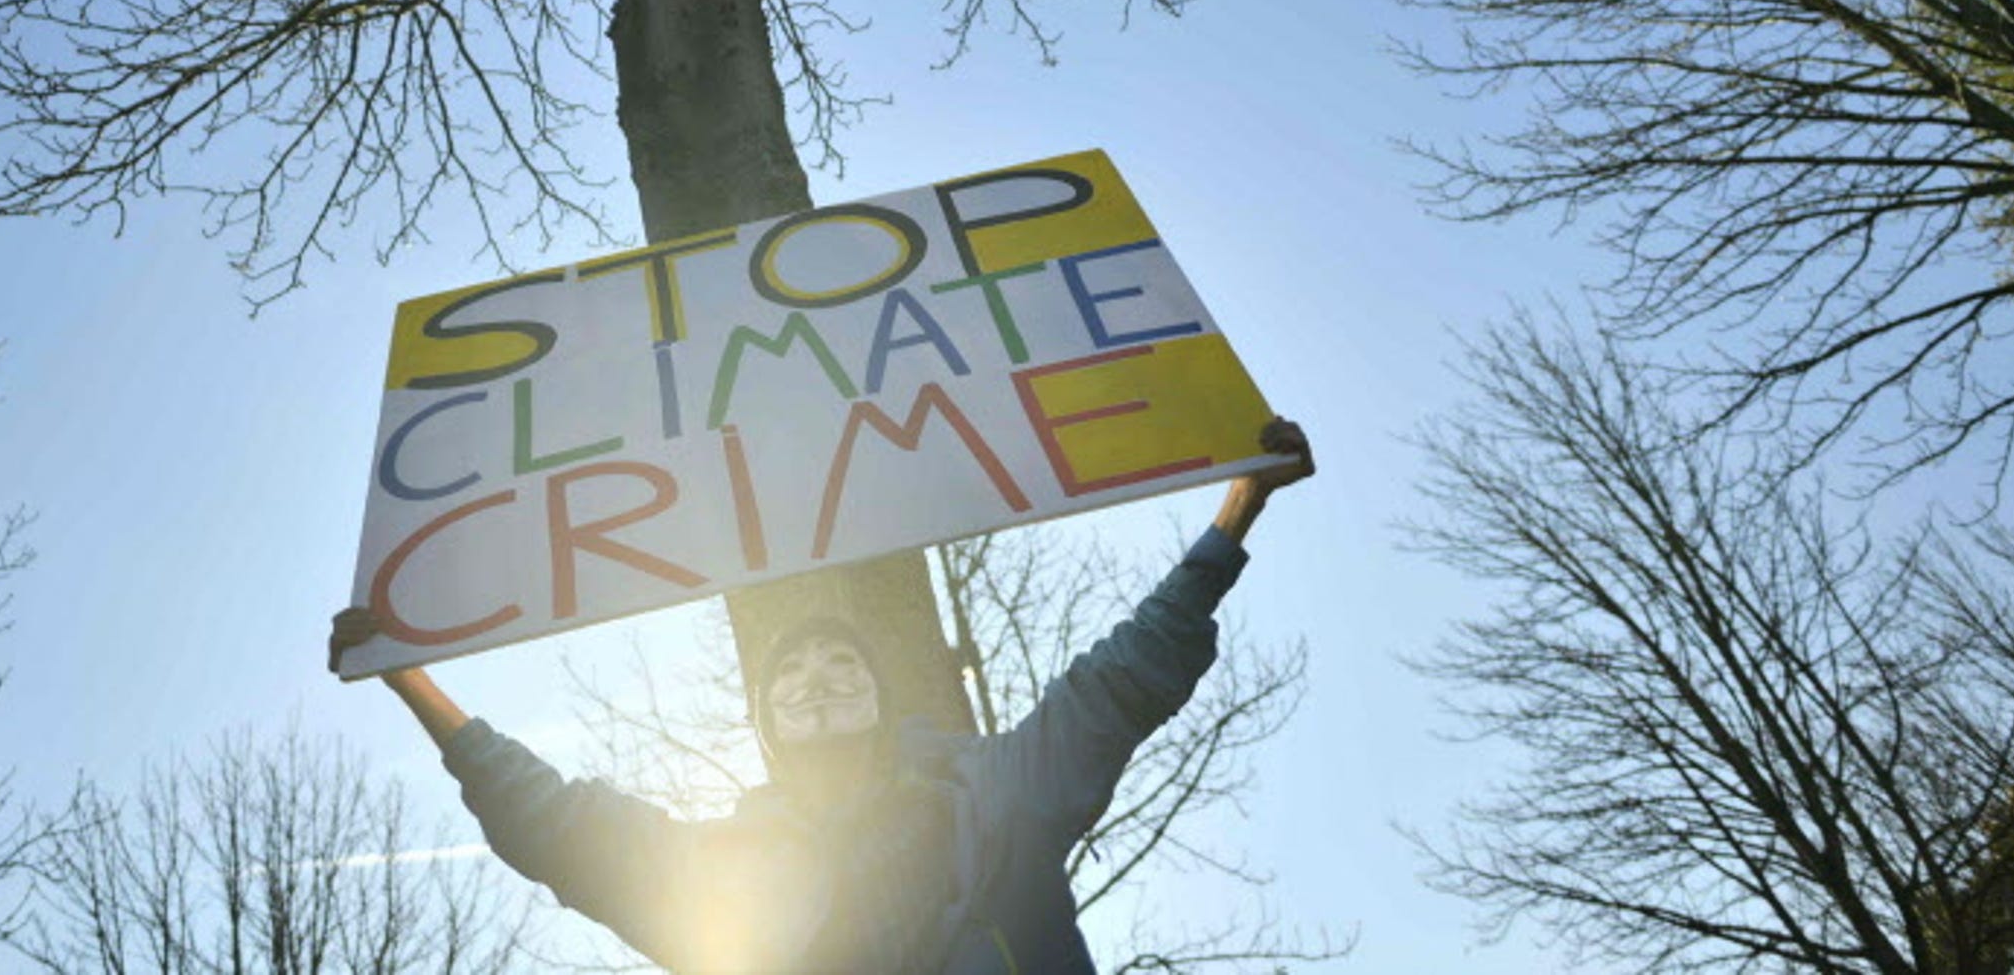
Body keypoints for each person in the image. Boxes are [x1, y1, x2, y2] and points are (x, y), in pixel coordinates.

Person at [330, 416, 1315, 974]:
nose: (818, 678)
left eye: (843, 665)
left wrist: (1239, 509)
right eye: (790, 673)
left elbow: (1121, 679)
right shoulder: (720, 873)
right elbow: (557, 824)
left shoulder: (993, 793)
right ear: (764, 721)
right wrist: (411, 678)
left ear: (880, 697)